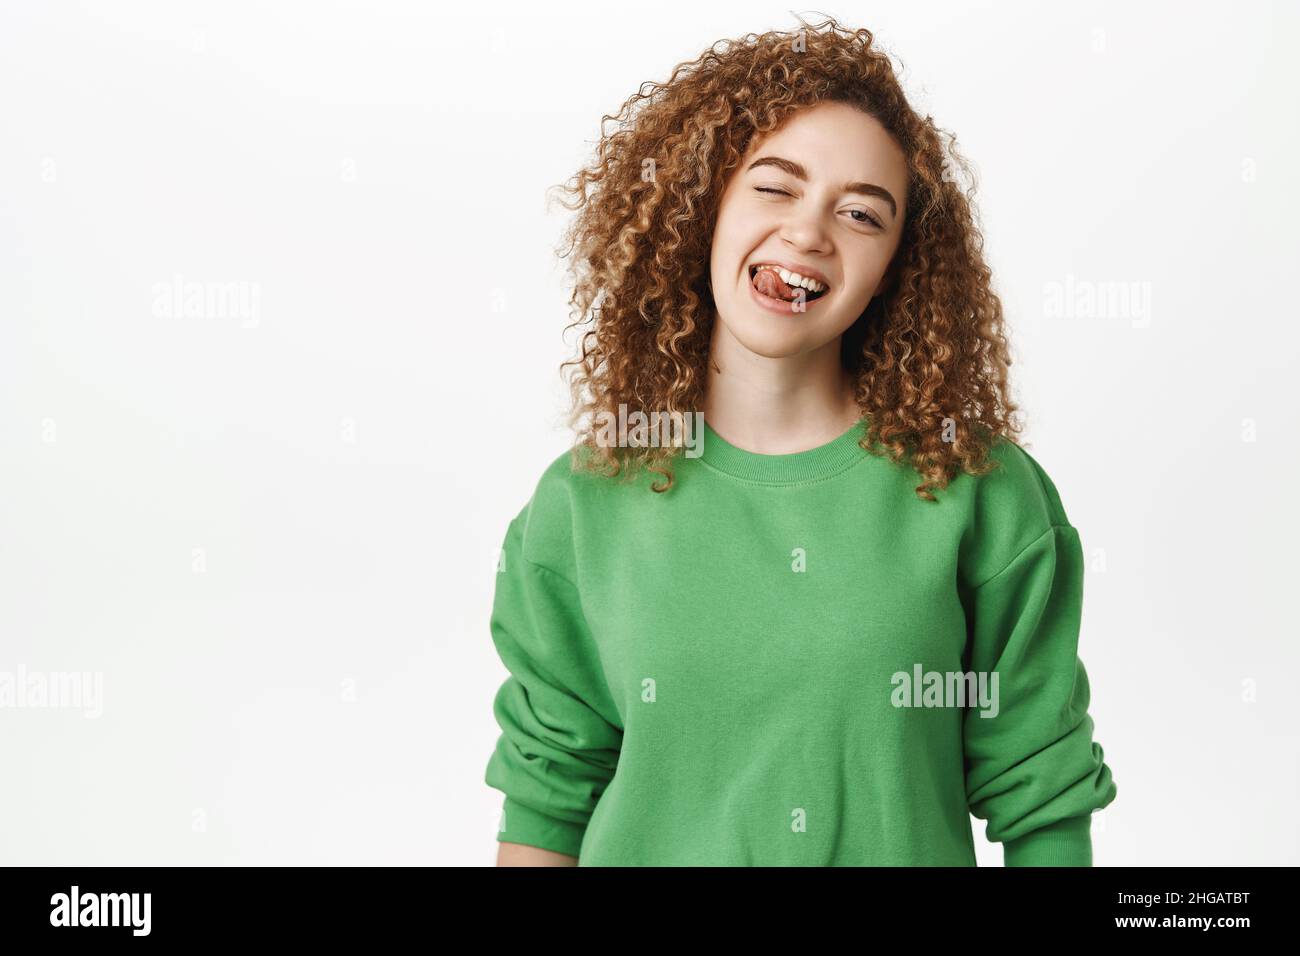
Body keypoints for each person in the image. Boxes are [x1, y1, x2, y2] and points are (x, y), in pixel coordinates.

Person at [484, 16, 1117, 866]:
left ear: (897, 263)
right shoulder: (582, 501)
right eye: (775, 187)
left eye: (861, 213)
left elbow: (1042, 793)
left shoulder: (979, 489)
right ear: (703, 201)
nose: (810, 232)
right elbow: (549, 797)